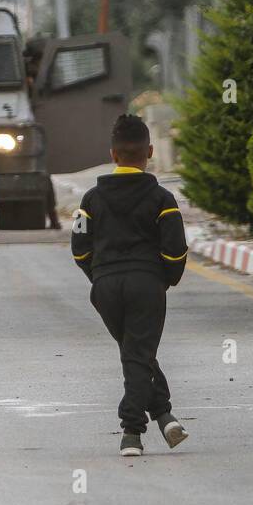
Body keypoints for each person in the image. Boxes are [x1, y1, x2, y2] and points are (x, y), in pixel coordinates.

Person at [70, 113, 190, 458]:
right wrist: (164, 279)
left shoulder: (90, 199)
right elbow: (175, 249)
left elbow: (79, 248)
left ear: (112, 155)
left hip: (105, 288)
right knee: (138, 354)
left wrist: (99, 276)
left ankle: (165, 415)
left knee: (135, 353)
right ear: (149, 152)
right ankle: (131, 431)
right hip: (145, 285)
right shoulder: (162, 198)